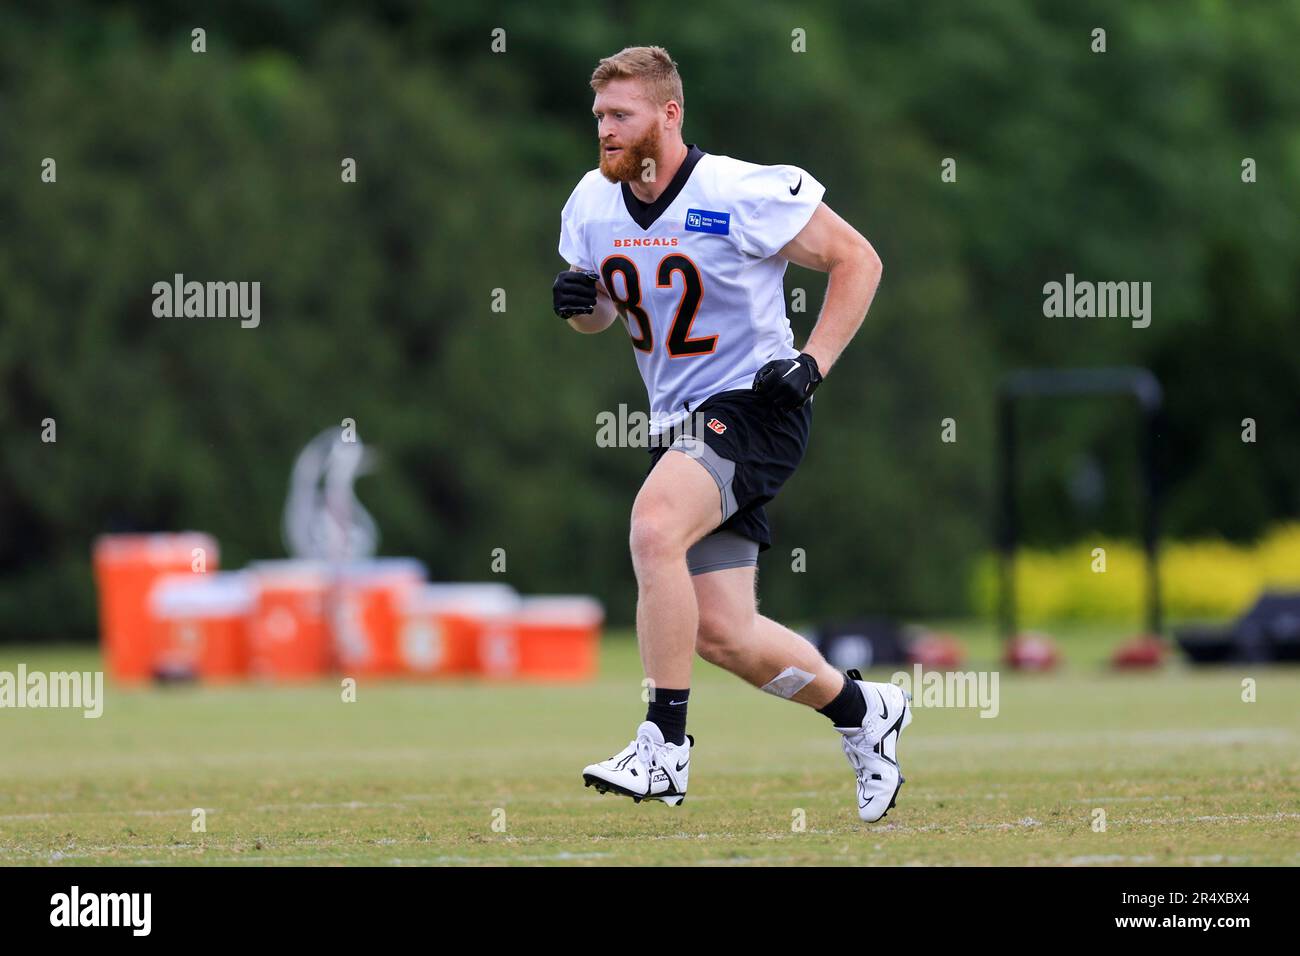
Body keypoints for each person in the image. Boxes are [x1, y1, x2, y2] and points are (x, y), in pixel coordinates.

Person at [553, 46, 907, 822]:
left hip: (755, 406)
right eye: (600, 118)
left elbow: (857, 259)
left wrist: (811, 365)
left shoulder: (736, 189)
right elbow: (601, 319)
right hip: (679, 423)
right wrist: (581, 304)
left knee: (652, 528)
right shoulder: (591, 201)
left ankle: (664, 748)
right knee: (724, 633)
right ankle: (863, 711)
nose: (606, 132)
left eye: (622, 116)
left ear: (669, 115)